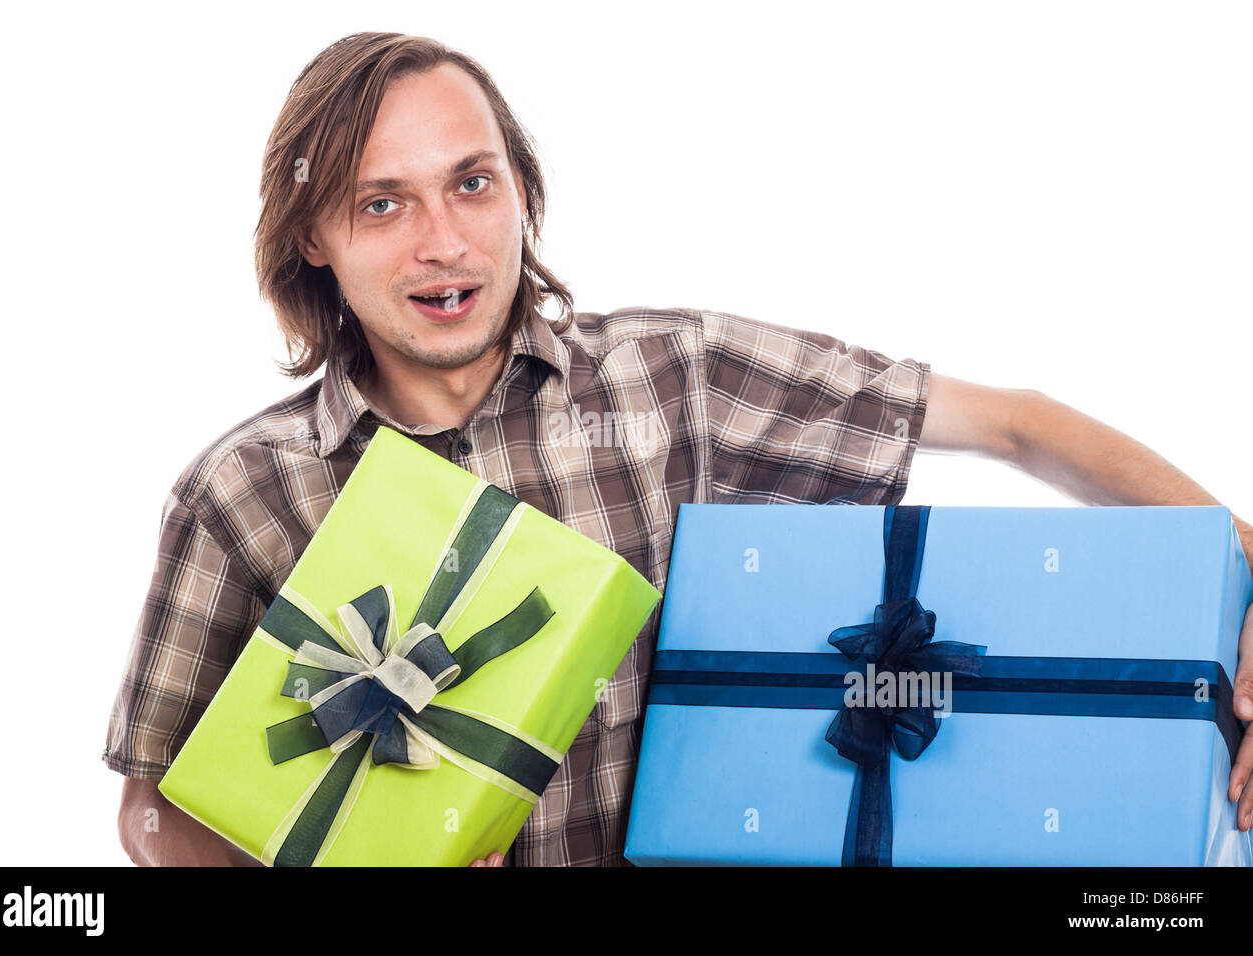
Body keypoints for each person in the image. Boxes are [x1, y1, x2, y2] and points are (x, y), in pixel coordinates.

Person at [105, 31, 1253, 867]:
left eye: (471, 182)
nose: (443, 241)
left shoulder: (672, 384)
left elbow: (1018, 423)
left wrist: (1250, 576)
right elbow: (154, 809)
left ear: (520, 193)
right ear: (313, 234)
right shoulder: (243, 492)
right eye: (380, 203)